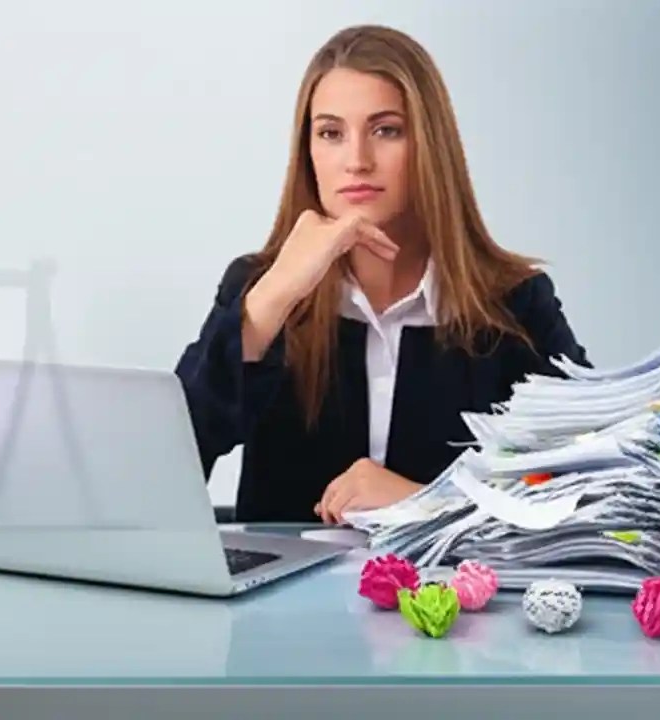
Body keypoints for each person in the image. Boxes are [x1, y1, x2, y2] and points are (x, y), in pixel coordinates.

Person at [174, 24, 590, 525]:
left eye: (386, 130)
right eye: (331, 133)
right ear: (309, 153)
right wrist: (273, 297)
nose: (357, 161)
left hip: (452, 599)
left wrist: (427, 503)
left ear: (429, 147)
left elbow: (592, 491)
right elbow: (164, 475)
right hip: (284, 601)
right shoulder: (259, 289)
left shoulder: (515, 302)